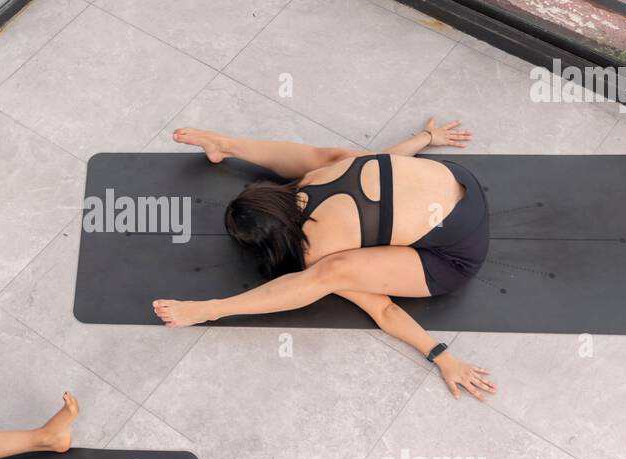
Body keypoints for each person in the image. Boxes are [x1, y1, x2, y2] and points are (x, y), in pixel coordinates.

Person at [152, 120, 496, 401]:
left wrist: (442, 356)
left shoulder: (315, 248)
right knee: (334, 156)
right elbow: (381, 158)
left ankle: (212, 309)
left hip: (458, 254)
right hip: (461, 180)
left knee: (333, 272)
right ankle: (226, 143)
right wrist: (425, 138)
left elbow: (384, 310)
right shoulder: (318, 177)